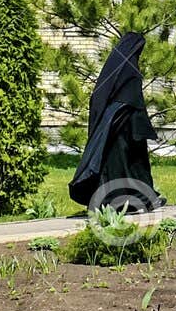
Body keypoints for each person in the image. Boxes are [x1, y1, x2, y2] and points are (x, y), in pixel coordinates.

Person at [69, 32, 162, 211]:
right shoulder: (131, 68)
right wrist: (142, 128)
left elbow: (101, 98)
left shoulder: (115, 67)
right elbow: (134, 100)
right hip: (127, 130)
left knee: (116, 167)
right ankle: (138, 200)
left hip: (113, 127)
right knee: (134, 166)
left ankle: (123, 200)